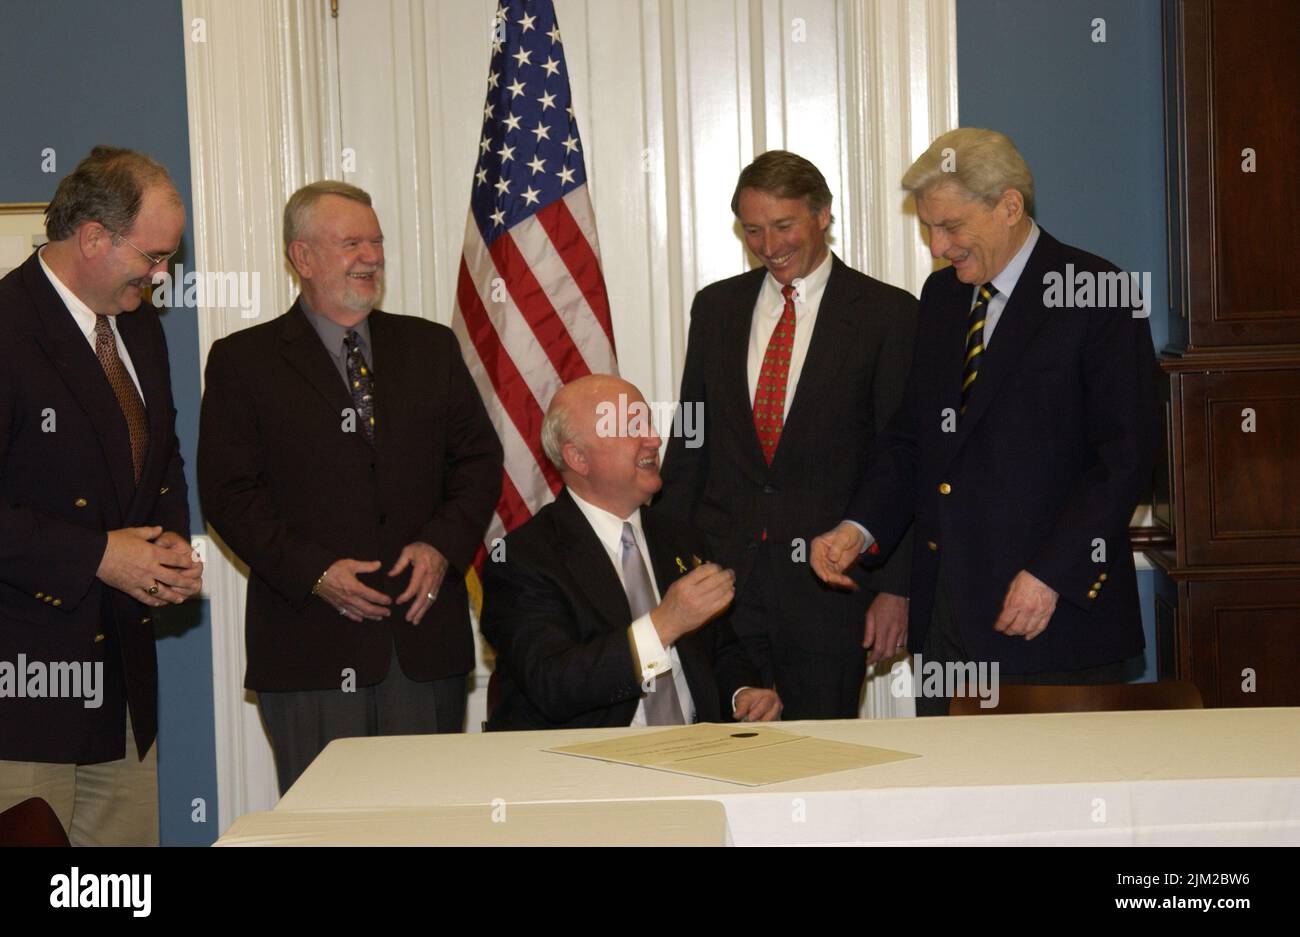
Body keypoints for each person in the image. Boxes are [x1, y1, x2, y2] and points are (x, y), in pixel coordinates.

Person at [811, 128, 1159, 715]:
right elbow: (910, 439)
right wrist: (860, 527)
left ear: (1009, 206)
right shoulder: (943, 298)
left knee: (1051, 802)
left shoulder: (1098, 294)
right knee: (953, 799)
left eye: (950, 227)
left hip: (1052, 618)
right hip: (947, 619)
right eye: (928, 228)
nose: (937, 246)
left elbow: (1125, 461)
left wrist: (1049, 574)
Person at [198, 181, 502, 792]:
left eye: (377, 242)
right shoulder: (243, 362)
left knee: (428, 827)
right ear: (302, 257)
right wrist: (314, 572)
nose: (371, 257)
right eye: (351, 243)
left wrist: (442, 545)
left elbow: (478, 461)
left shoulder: (430, 348)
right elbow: (230, 494)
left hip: (422, 646)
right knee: (327, 828)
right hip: (310, 646)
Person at [657, 150, 917, 720]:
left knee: (819, 762)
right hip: (721, 592)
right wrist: (669, 565)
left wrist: (895, 589)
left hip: (830, 596)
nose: (768, 246)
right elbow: (691, 444)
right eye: (752, 230)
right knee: (724, 757)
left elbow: (901, 461)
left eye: (783, 226)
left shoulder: (887, 315)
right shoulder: (717, 308)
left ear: (823, 215)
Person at [0, 146, 203, 844]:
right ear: (92, 237)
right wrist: (98, 556)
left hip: (119, 680)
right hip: (21, 688)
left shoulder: (138, 324)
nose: (161, 275)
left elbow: (162, 455)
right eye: (152, 256)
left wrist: (169, 542)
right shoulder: (6, 326)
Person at [482, 374, 781, 730]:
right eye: (630, 427)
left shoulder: (682, 538)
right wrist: (665, 624)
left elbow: (721, 648)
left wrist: (741, 693)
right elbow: (554, 684)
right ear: (578, 458)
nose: (653, 440)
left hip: (701, 757)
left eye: (649, 423)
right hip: (587, 769)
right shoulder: (523, 559)